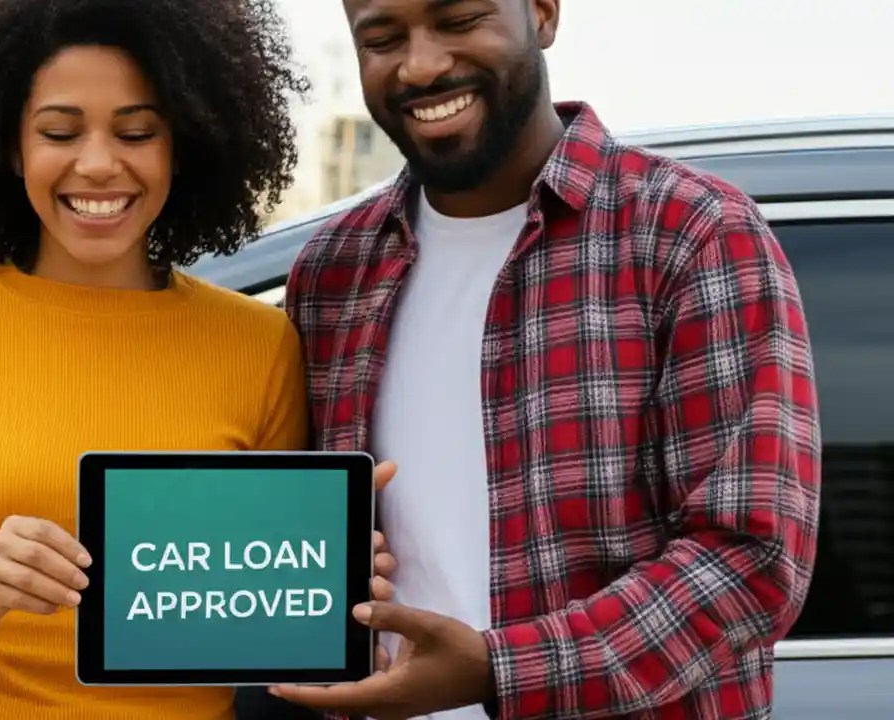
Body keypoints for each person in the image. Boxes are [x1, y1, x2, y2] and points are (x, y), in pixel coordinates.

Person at [0, 1, 400, 719]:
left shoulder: (257, 344)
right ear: (8, 145)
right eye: (59, 132)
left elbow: (253, 619)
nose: (97, 163)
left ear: (181, 146)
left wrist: (328, 593)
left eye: (136, 132)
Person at [264, 1, 822, 719]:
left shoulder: (690, 234)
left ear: (543, 14)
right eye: (382, 37)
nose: (422, 63)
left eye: (460, 19)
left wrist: (498, 672)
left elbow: (749, 557)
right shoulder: (331, 274)